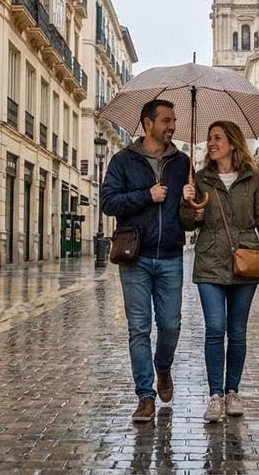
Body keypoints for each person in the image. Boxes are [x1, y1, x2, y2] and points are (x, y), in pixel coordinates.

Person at [179, 120, 259, 423]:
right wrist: (189, 205)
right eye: (209, 139)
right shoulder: (199, 179)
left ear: (232, 143)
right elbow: (187, 223)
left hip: (245, 261)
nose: (211, 143)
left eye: (217, 138)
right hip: (210, 261)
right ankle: (215, 395)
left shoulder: (252, 179)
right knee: (215, 329)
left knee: (237, 331)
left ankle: (232, 392)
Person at [100, 99, 192, 423]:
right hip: (135, 257)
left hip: (169, 257)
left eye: (174, 120)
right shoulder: (122, 161)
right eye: (166, 120)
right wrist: (146, 195)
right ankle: (145, 396)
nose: (172, 126)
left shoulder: (183, 163)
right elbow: (108, 202)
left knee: (170, 325)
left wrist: (192, 205)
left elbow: (190, 220)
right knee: (138, 329)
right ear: (147, 123)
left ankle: (163, 366)